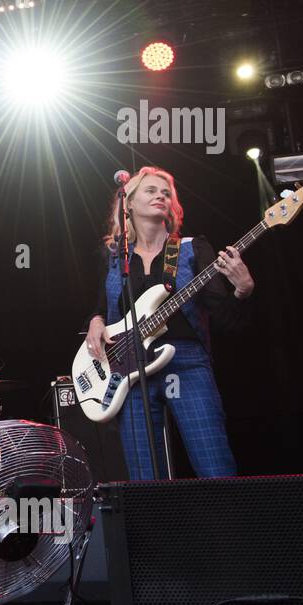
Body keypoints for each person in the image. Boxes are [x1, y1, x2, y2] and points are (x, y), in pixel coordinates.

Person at [85, 166, 254, 480]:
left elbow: (226, 320)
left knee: (215, 467)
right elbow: (100, 306)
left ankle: (230, 528)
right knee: (145, 478)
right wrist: (96, 321)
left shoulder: (192, 249)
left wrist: (242, 290)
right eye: (150, 190)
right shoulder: (114, 257)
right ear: (129, 203)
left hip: (186, 363)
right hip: (129, 372)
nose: (160, 196)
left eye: (166, 193)